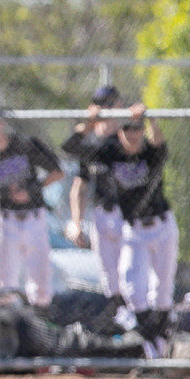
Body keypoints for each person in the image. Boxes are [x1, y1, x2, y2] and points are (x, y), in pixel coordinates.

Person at [63, 102, 175, 357]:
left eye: (137, 128)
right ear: (119, 132)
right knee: (132, 289)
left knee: (163, 291)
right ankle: (154, 346)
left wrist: (151, 120)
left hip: (162, 225)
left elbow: (161, 147)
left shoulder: (149, 153)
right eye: (127, 129)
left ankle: (160, 349)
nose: (133, 134)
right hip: (132, 229)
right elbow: (71, 148)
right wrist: (90, 123)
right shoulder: (110, 153)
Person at [0, 119, 65, 309]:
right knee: (5, 282)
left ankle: (40, 324)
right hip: (6, 221)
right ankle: (6, 325)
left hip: (34, 219)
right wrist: (2, 195)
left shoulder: (25, 145)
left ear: (0, 124)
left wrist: (33, 189)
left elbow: (57, 172)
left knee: (41, 280)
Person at [64, 85, 126, 305]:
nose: (107, 108)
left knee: (131, 275)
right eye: (102, 104)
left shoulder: (126, 137)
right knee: (110, 280)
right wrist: (76, 222)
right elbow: (80, 184)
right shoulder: (90, 142)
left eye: (111, 103)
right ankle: (121, 319)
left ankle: (141, 324)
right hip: (101, 214)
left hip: (128, 214)